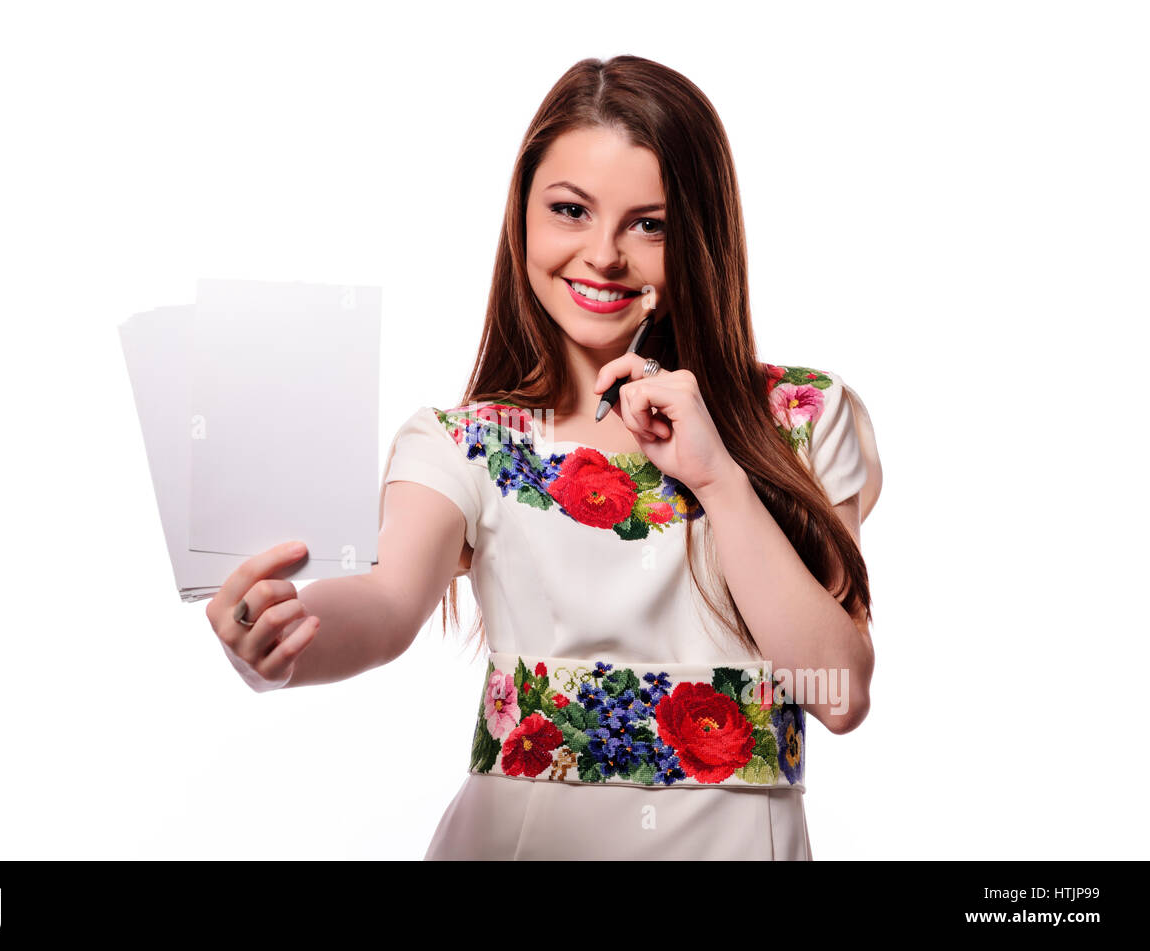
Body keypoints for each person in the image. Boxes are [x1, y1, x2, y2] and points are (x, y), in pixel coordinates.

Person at [205, 55, 882, 860]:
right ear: (523, 215)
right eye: (570, 210)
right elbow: (388, 603)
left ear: (703, 238)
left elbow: (836, 692)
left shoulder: (799, 417)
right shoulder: (469, 443)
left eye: (649, 223)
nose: (603, 254)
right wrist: (281, 641)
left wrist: (717, 477)